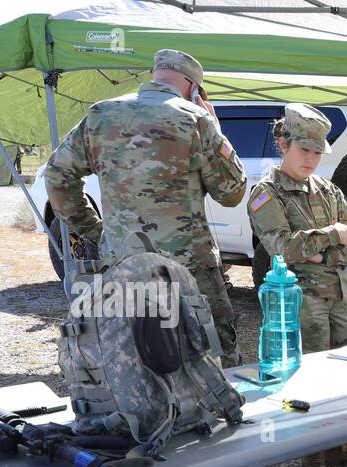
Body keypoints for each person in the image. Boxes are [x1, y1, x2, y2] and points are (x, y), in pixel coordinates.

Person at [43, 49, 246, 366]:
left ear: (155, 77)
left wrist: (96, 232)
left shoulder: (101, 115)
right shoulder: (196, 119)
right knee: (212, 359)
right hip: (191, 273)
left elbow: (56, 176)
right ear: (194, 89)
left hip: (123, 265)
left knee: (138, 358)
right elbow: (231, 193)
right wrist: (216, 129)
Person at [248, 103, 347, 467]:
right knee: (306, 383)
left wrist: (326, 249)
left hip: (339, 298)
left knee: (343, 377)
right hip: (302, 305)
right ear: (283, 143)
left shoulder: (328, 190)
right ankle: (311, 464)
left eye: (318, 152)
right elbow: (282, 246)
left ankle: (336, 445)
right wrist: (331, 235)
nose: (311, 159)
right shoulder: (265, 194)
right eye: (304, 150)